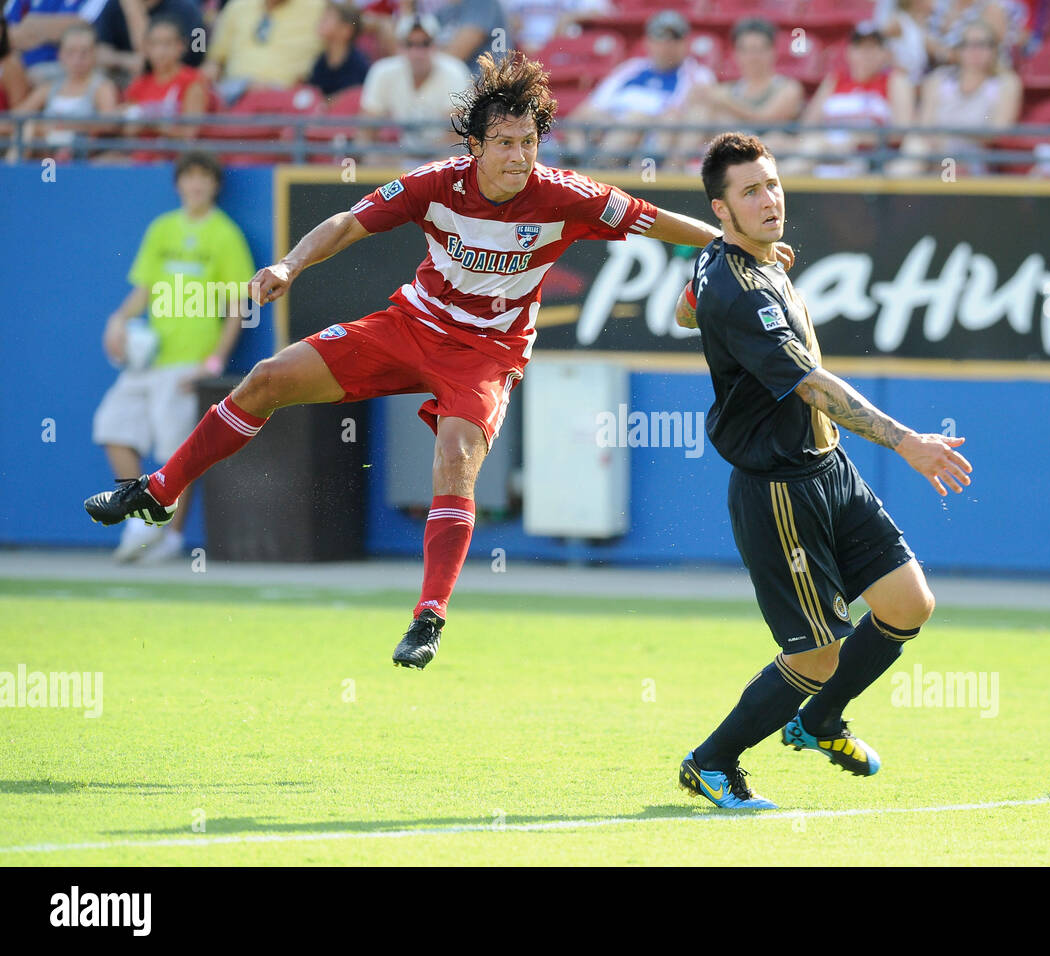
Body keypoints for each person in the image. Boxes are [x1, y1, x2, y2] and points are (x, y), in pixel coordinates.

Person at [84, 52, 795, 667]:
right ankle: (156, 488)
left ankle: (429, 617)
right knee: (266, 379)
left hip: (486, 355)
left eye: (529, 141)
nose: (520, 156)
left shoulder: (566, 196)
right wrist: (288, 266)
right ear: (476, 146)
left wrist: (741, 247)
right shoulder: (436, 184)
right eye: (506, 142)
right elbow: (346, 223)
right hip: (410, 325)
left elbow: (661, 223)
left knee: (455, 457)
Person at [674, 132, 972, 810]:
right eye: (750, 191)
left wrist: (717, 273)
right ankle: (711, 761)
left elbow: (683, 310)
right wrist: (906, 444)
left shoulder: (742, 261)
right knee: (816, 656)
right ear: (721, 209)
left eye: (772, 184)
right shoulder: (738, 289)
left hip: (827, 466)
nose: (769, 198)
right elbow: (810, 384)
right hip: (778, 487)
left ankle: (818, 721)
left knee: (907, 604)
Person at [92, 153, 254, 563]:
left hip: (190, 363)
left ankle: (170, 539)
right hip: (146, 361)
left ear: (214, 186)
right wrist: (117, 319)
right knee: (113, 428)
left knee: (175, 453)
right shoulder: (161, 229)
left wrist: (214, 364)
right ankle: (137, 518)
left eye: (204, 179)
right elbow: (142, 290)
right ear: (179, 184)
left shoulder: (226, 234)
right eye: (189, 178)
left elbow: (238, 306)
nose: (196, 186)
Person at [565, 10, 715, 167]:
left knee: (637, 120)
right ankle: (581, 163)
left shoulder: (697, 74)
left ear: (685, 43)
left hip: (649, 139)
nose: (666, 45)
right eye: (660, 37)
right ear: (648, 41)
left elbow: (683, 115)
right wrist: (610, 121)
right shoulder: (631, 68)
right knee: (582, 116)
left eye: (674, 38)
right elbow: (593, 106)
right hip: (610, 126)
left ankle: (597, 170)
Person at [666, 17, 804, 171]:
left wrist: (723, 101)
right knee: (697, 112)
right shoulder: (728, 90)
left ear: (772, 51)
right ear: (736, 53)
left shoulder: (787, 87)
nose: (752, 57)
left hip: (772, 161)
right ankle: (673, 169)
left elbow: (764, 119)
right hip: (731, 160)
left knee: (774, 139)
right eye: (745, 50)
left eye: (758, 50)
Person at [893, 20, 1021, 176]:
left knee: (932, 156)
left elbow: (999, 131)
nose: (975, 51)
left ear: (994, 49)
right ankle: (888, 190)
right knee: (916, 144)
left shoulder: (1005, 83)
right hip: (934, 154)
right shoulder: (939, 79)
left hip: (974, 159)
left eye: (982, 44)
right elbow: (925, 126)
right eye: (967, 44)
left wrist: (951, 136)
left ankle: (887, 193)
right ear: (959, 50)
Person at [787, 24, 915, 177]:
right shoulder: (835, 80)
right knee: (806, 149)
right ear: (849, 52)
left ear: (884, 53)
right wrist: (830, 143)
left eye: (873, 47)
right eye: (859, 47)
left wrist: (858, 139)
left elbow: (901, 132)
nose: (866, 54)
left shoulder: (894, 80)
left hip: (868, 158)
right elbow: (808, 126)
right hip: (826, 152)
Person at [359, 13, 470, 156]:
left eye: (425, 43)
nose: (417, 52)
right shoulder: (382, 71)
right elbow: (366, 130)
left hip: (441, 162)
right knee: (373, 158)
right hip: (399, 159)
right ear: (399, 47)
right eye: (409, 44)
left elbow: (455, 135)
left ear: (436, 46)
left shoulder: (454, 71)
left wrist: (420, 168)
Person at [16, 22, 118, 155]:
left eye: (84, 52)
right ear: (60, 55)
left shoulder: (102, 87)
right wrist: (39, 129)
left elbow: (108, 124)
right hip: (46, 155)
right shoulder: (49, 87)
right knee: (27, 130)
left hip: (82, 154)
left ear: (95, 54)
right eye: (71, 52)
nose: (77, 59)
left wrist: (59, 126)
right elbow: (15, 117)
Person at [120, 14, 208, 158]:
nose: (160, 52)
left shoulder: (192, 80)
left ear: (181, 46)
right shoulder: (139, 84)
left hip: (177, 159)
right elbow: (127, 129)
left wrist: (152, 125)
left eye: (167, 44)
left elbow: (190, 133)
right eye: (154, 44)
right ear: (146, 48)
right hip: (140, 159)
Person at [203, 0, 326, 95]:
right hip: (234, 91)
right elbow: (215, 60)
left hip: (288, 95)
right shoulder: (238, 5)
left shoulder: (319, 8)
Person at [4, 0, 111, 82]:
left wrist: (32, 25)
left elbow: (82, 29)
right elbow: (7, 34)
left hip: (65, 68)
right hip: (21, 63)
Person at [95, 0, 204, 77]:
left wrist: (133, 11)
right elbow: (98, 52)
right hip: (125, 77)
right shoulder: (114, 5)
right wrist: (126, 60)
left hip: (177, 77)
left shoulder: (187, 8)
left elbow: (199, 53)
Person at [308, 0, 370, 96]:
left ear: (346, 30)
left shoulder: (359, 64)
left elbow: (357, 95)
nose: (321, 22)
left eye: (327, 19)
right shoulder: (320, 61)